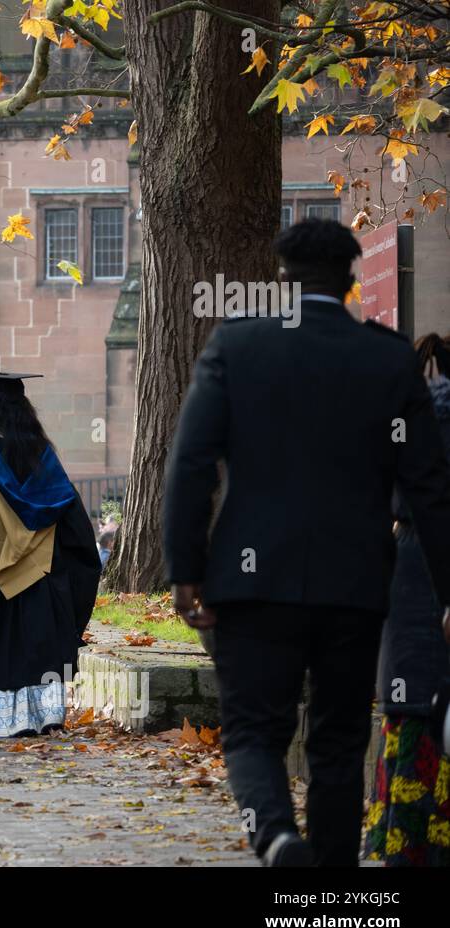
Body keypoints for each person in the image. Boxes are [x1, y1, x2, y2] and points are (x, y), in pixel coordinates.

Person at [164, 218, 450, 867]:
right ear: (351, 280)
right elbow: (428, 487)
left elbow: (191, 464)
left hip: (252, 581)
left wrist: (186, 570)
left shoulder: (236, 348)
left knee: (253, 731)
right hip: (353, 586)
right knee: (340, 744)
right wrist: (447, 594)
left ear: (284, 280)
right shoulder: (388, 360)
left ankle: (274, 835)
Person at [0, 373, 101, 737]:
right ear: (26, 411)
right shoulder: (42, 455)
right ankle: (37, 717)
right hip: (37, 568)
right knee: (29, 645)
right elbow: (75, 526)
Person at [366, 334, 450, 866]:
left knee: (410, 716)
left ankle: (403, 845)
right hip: (431, 582)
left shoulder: (406, 411)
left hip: (406, 578)